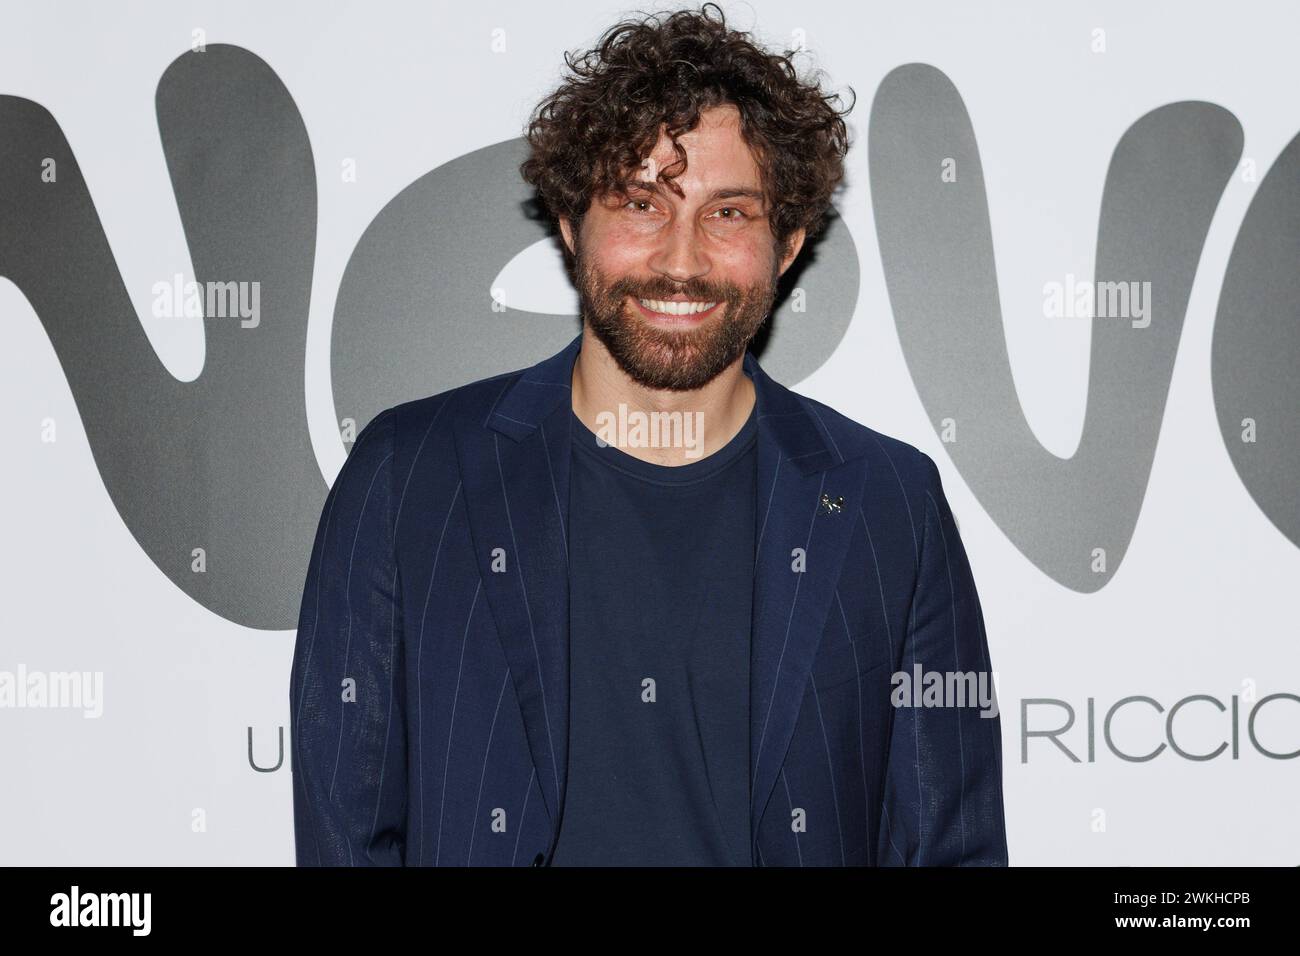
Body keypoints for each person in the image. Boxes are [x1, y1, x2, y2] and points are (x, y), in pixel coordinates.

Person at [290, 3, 1008, 866]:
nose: (680, 258)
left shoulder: (888, 500)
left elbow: (950, 846)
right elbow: (346, 832)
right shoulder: (410, 475)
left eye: (729, 213)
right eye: (640, 202)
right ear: (569, 223)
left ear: (787, 245)